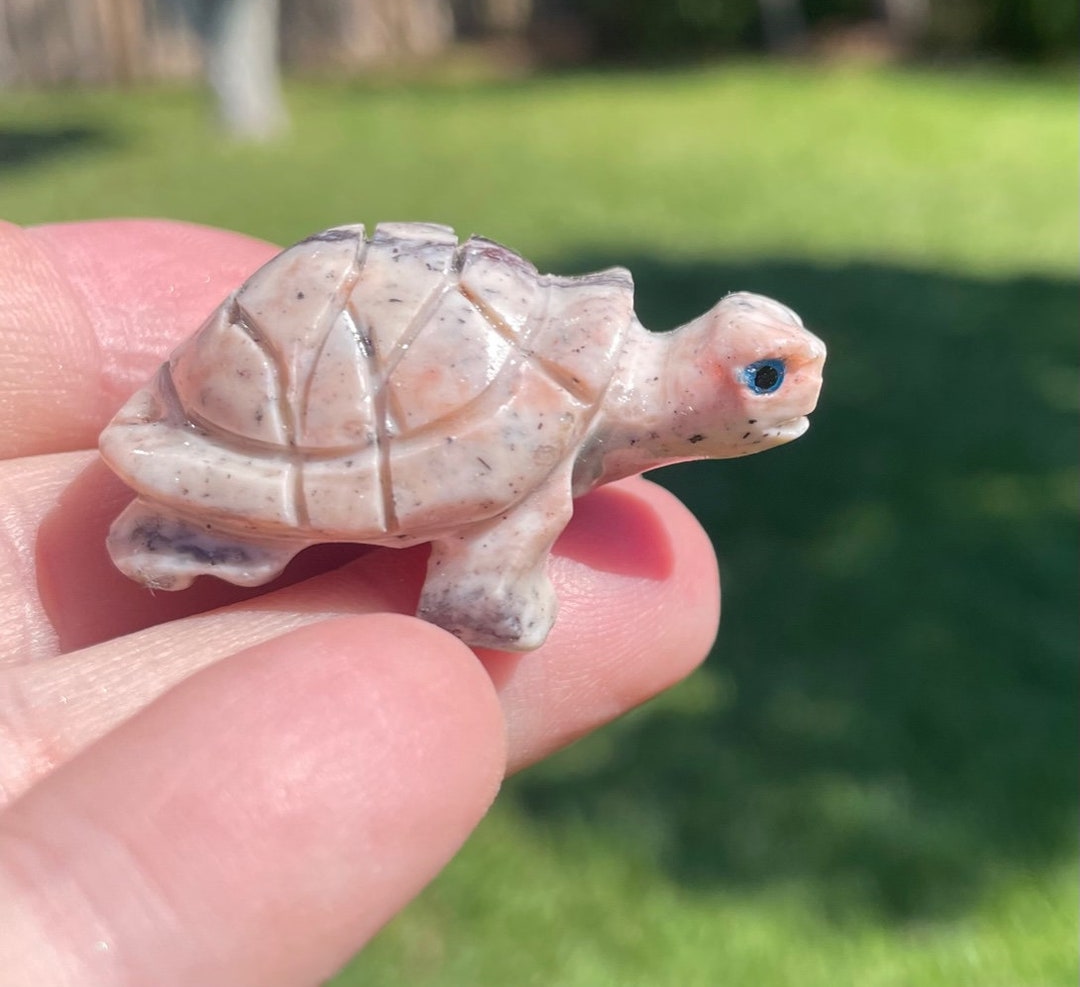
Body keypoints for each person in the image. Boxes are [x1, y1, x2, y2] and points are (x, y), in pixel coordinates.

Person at [0, 219, 720, 986]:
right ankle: (196, 513)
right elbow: (473, 598)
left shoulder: (565, 408)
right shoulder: (537, 479)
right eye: (764, 380)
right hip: (295, 384)